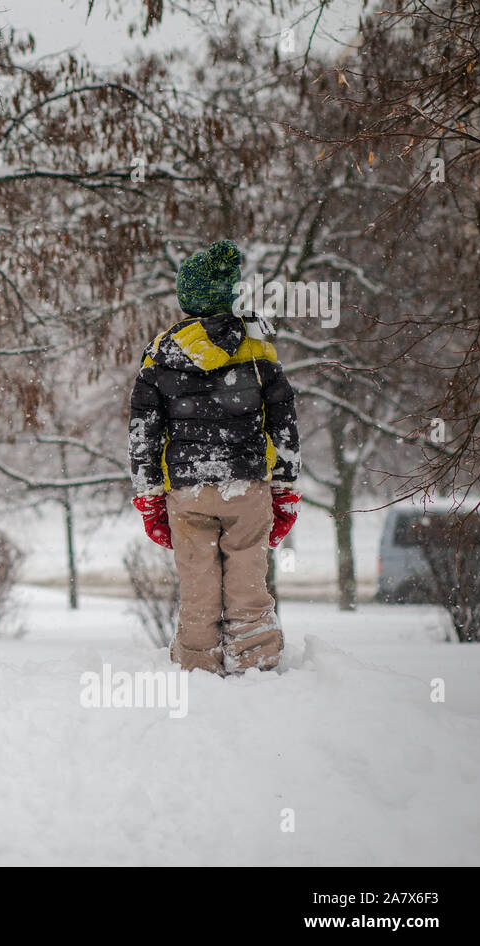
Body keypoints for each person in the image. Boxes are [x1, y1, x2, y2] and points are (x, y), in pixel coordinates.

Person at [128, 239, 302, 675]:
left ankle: (197, 669)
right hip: (246, 485)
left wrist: (149, 496)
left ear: (187, 301)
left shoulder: (160, 355)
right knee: (248, 582)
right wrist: (284, 487)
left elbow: (143, 434)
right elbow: (283, 424)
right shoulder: (258, 351)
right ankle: (256, 665)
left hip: (186, 491)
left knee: (198, 585)